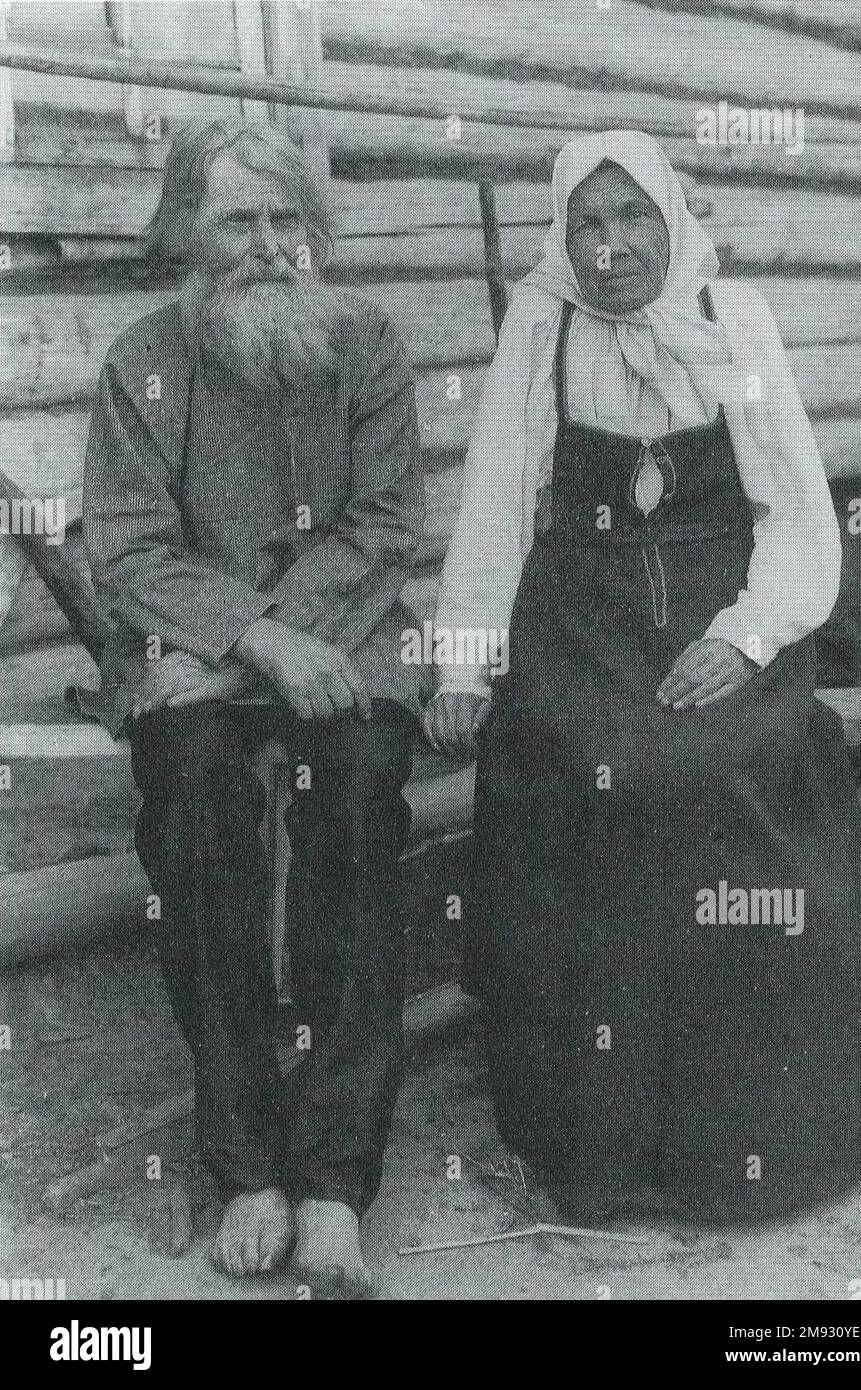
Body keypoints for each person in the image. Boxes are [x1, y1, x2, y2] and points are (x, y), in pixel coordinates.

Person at [425, 131, 861, 1225]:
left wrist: (745, 635)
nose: (610, 247)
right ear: (565, 237)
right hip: (578, 619)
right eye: (587, 225)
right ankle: (596, 1141)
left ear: (671, 218)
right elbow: (497, 503)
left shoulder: (732, 322)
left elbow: (795, 509)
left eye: (632, 217)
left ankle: (765, 1135)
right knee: (589, 769)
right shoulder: (539, 330)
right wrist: (461, 659)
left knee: (740, 762)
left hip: (723, 611)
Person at [83, 119, 428, 1296]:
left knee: (361, 796)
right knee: (194, 810)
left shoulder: (368, 345)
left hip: (337, 650)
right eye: (238, 219)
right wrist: (257, 640)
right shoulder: (141, 363)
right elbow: (129, 555)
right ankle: (247, 1168)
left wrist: (268, 648)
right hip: (198, 660)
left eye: (288, 219)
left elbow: (385, 526)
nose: (269, 246)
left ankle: (334, 1178)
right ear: (186, 229)